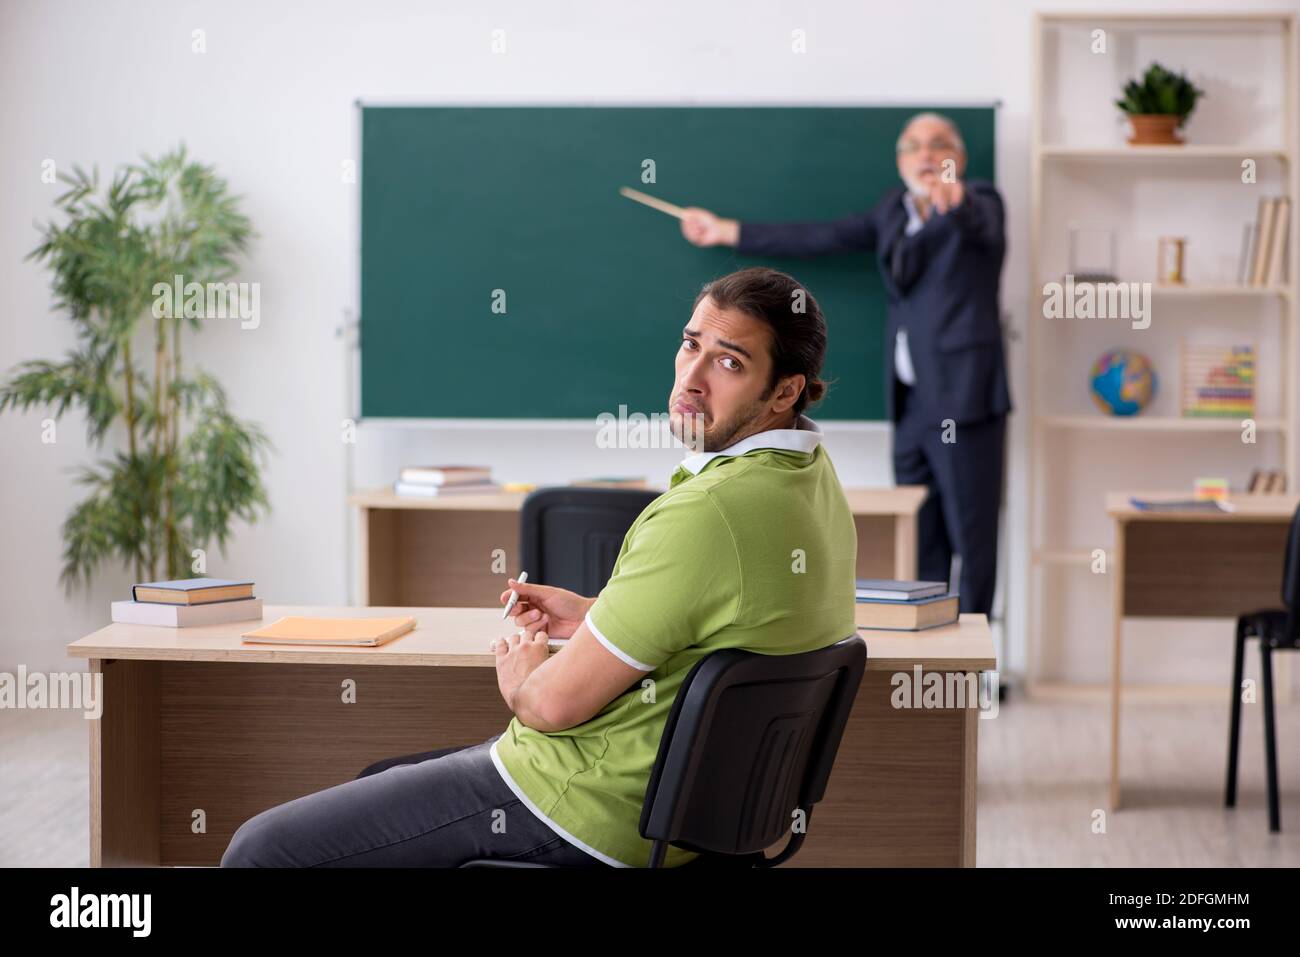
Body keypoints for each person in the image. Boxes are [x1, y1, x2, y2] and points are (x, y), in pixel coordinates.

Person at [221, 266, 857, 868]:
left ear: (785, 391)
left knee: (259, 849)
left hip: (585, 807)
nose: (692, 378)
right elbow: (720, 631)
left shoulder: (707, 510)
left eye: (728, 363)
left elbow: (549, 709)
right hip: (694, 825)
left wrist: (524, 679)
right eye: (690, 345)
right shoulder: (813, 484)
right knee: (379, 781)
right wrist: (596, 617)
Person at [679, 112, 1010, 617]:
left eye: (939, 144)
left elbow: (976, 219)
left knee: (975, 533)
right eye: (913, 145)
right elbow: (820, 237)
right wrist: (727, 231)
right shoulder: (892, 213)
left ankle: (984, 660)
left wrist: (954, 199)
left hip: (966, 400)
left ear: (958, 159)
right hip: (912, 403)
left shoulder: (981, 201)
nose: (925, 153)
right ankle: (933, 650)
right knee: (922, 534)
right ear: (900, 161)